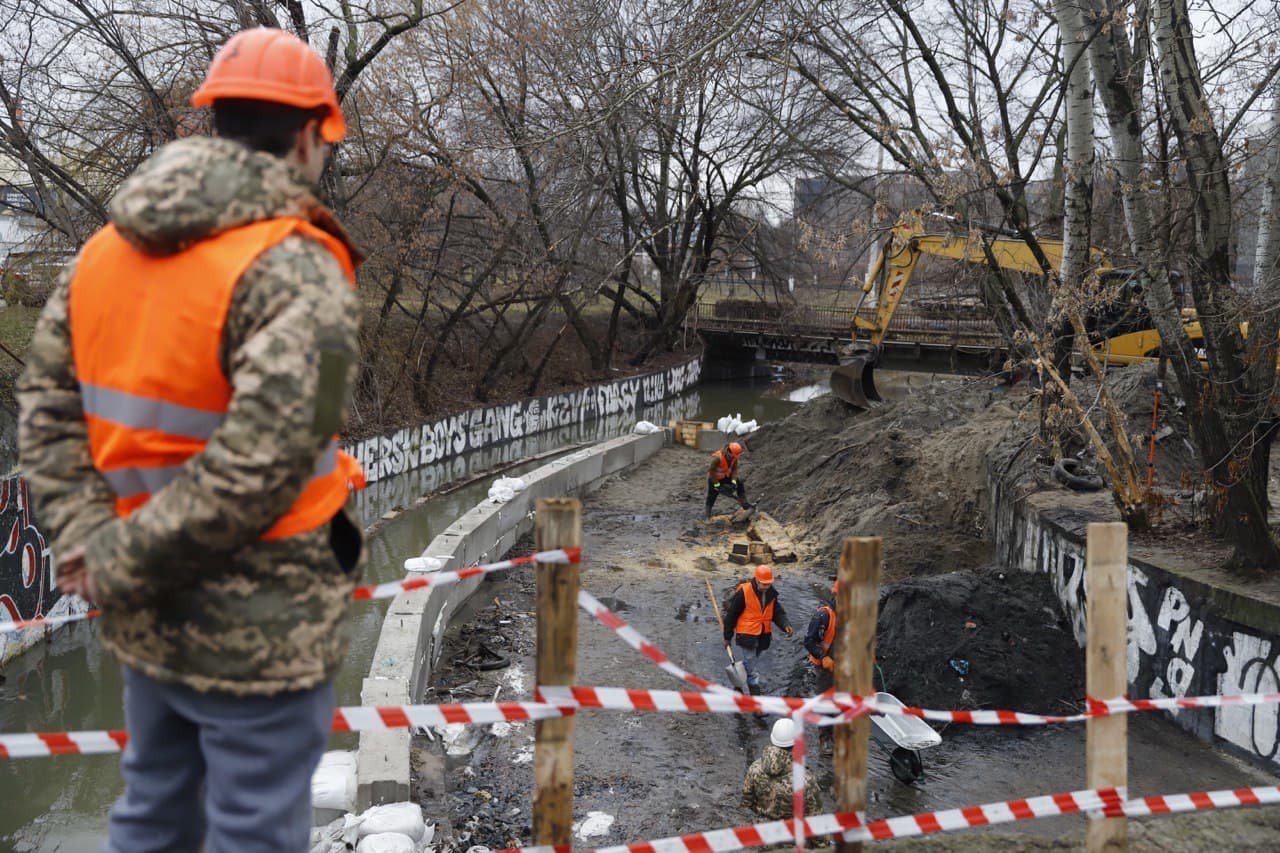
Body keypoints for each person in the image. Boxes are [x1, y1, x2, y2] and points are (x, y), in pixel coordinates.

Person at [18, 28, 366, 853]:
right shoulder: (297, 262)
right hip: (264, 622)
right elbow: (279, 453)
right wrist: (119, 559)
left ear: (211, 120)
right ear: (313, 134)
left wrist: (93, 545)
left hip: (144, 614)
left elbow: (44, 407)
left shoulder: (103, 254)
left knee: (153, 817)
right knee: (254, 829)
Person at [723, 564, 793, 693]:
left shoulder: (771, 593)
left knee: (751, 663)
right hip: (747, 635)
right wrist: (727, 637)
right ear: (756, 580)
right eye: (764, 584)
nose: (766, 587)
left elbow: (777, 612)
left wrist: (785, 625)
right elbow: (732, 615)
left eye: (768, 584)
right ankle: (756, 701)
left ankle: (737, 683)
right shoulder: (744, 592)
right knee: (752, 670)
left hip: (763, 636)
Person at [742, 718, 822, 819]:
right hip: (792, 830)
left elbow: (747, 799)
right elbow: (814, 814)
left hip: (763, 829)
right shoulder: (805, 780)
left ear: (772, 739)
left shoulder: (755, 767)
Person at [805, 580, 839, 694]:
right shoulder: (823, 616)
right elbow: (809, 642)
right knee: (822, 693)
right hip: (821, 665)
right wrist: (823, 657)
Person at [706, 440, 750, 518]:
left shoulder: (734, 458)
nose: (733, 458)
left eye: (735, 457)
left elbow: (734, 470)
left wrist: (733, 481)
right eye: (732, 456)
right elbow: (711, 472)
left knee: (739, 483)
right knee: (712, 495)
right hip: (714, 478)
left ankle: (744, 502)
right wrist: (717, 485)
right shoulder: (717, 458)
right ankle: (707, 513)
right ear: (728, 452)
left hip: (726, 476)